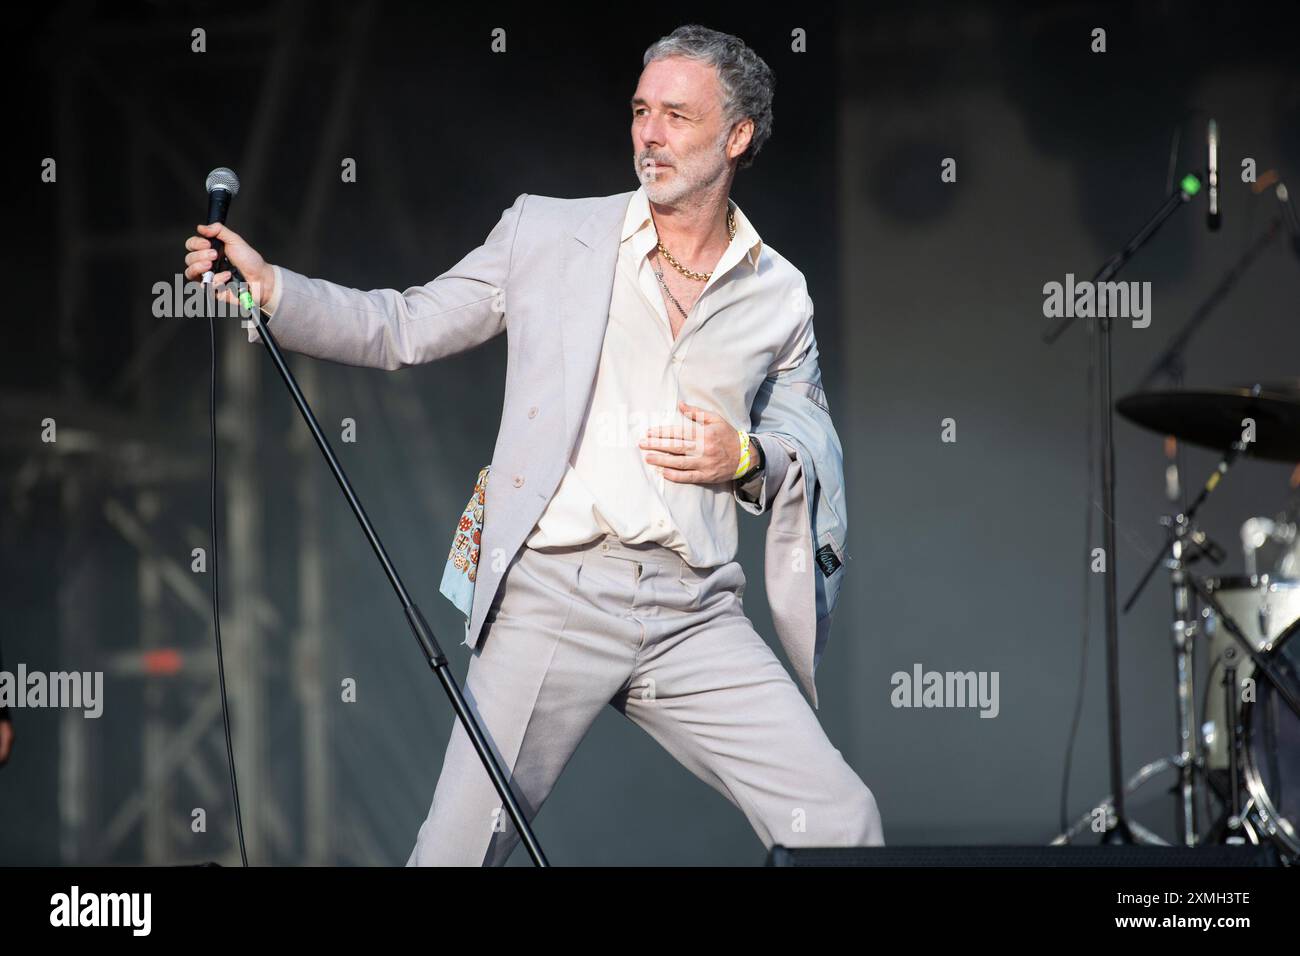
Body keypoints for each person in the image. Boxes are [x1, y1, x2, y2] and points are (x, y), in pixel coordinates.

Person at [182, 23, 882, 865]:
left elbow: (808, 440)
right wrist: (274, 289)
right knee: (452, 857)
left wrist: (745, 458)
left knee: (842, 824)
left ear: (737, 137)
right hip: (558, 592)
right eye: (639, 110)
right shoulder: (550, 234)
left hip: (694, 609)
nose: (649, 135)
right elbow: (404, 324)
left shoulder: (780, 291)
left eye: (677, 117)